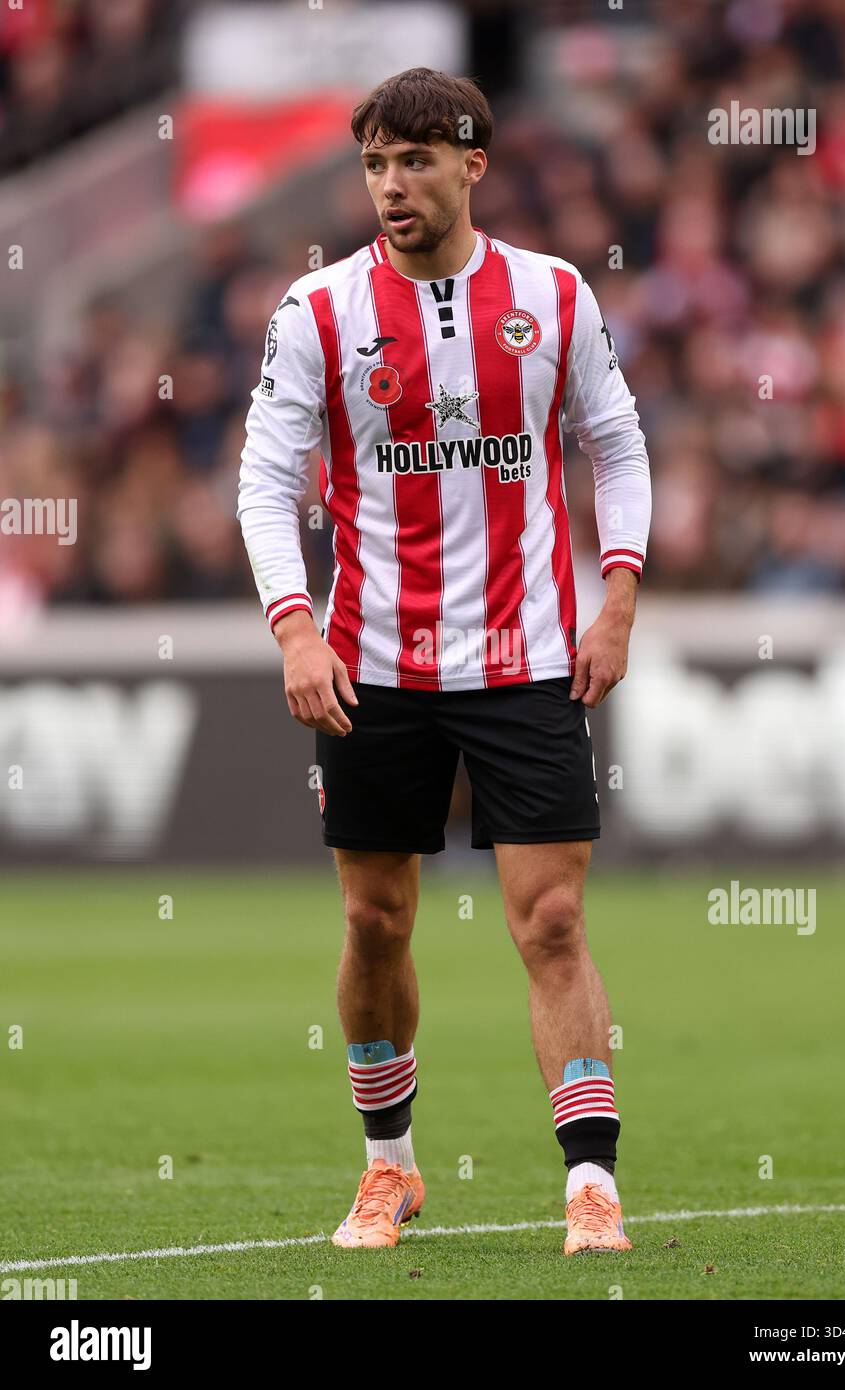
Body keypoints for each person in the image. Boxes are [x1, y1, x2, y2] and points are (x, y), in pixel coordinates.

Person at [238, 67, 651, 1256]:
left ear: (473, 164)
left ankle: (589, 1183)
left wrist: (615, 596)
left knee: (555, 919)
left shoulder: (554, 295)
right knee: (375, 923)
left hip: (527, 657)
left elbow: (616, 445)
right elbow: (266, 484)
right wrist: (295, 625)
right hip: (371, 662)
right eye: (373, 164)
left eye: (414, 161)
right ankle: (390, 1169)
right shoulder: (316, 312)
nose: (390, 185)